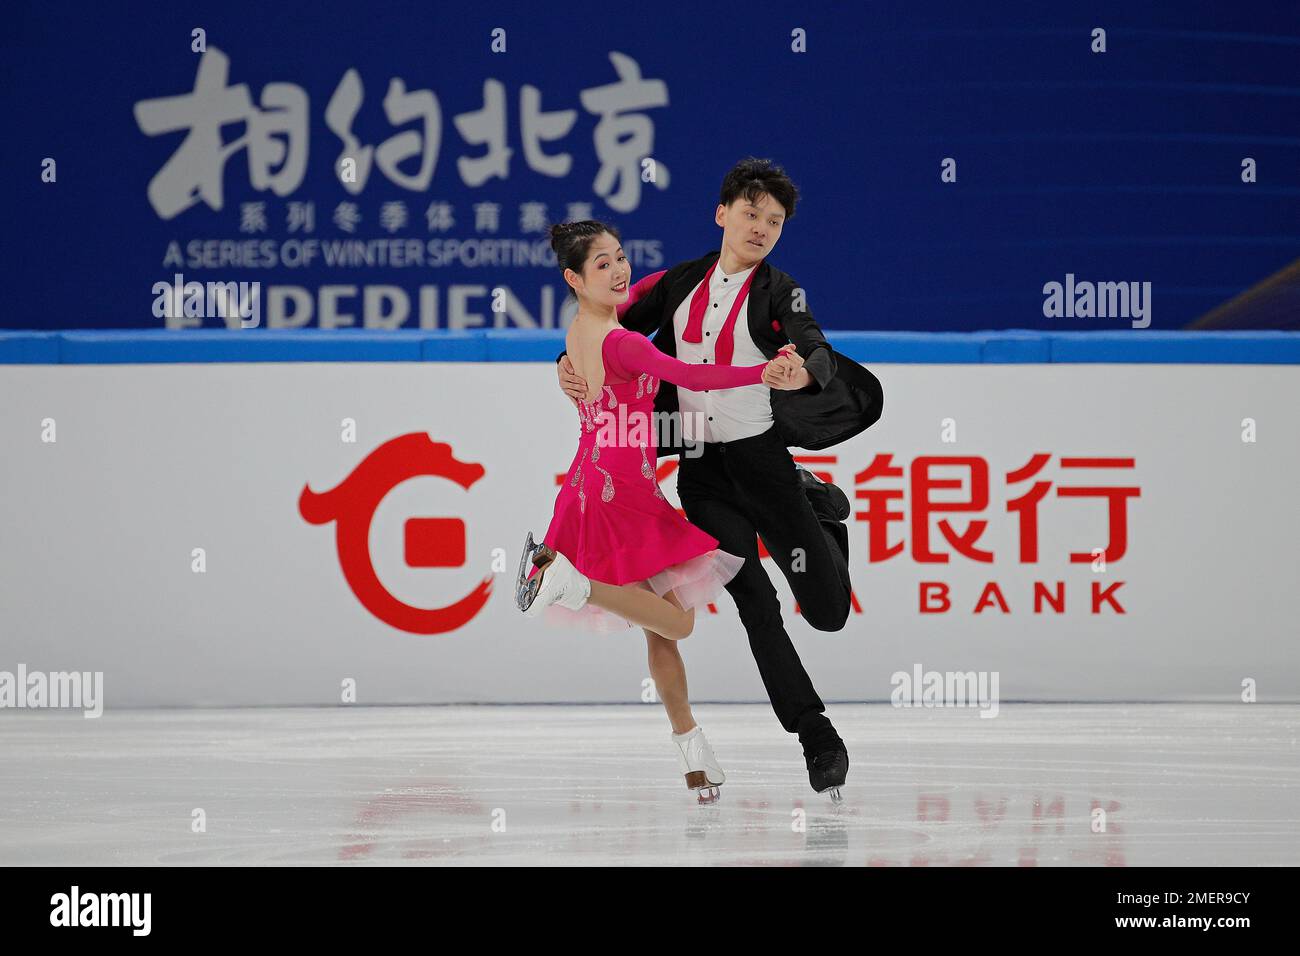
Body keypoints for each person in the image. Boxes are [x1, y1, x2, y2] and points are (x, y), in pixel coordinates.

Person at [555, 158, 883, 800]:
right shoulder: (677, 284)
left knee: (828, 614)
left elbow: (812, 340)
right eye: (751, 213)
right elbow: (605, 324)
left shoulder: (779, 291)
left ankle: (815, 507)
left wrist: (806, 371)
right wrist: (563, 362)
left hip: (765, 466)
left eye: (775, 221)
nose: (761, 227)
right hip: (705, 475)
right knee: (755, 603)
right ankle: (816, 735)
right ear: (722, 213)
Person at [518, 219, 806, 802]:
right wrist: (763, 371)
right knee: (677, 622)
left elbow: (656, 287)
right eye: (603, 264)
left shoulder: (584, 327)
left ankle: (693, 753)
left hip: (596, 485)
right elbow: (692, 374)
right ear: (575, 277)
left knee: (660, 631)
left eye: (620, 257)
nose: (620, 270)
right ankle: (571, 584)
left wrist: (671, 279)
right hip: (620, 498)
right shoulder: (624, 341)